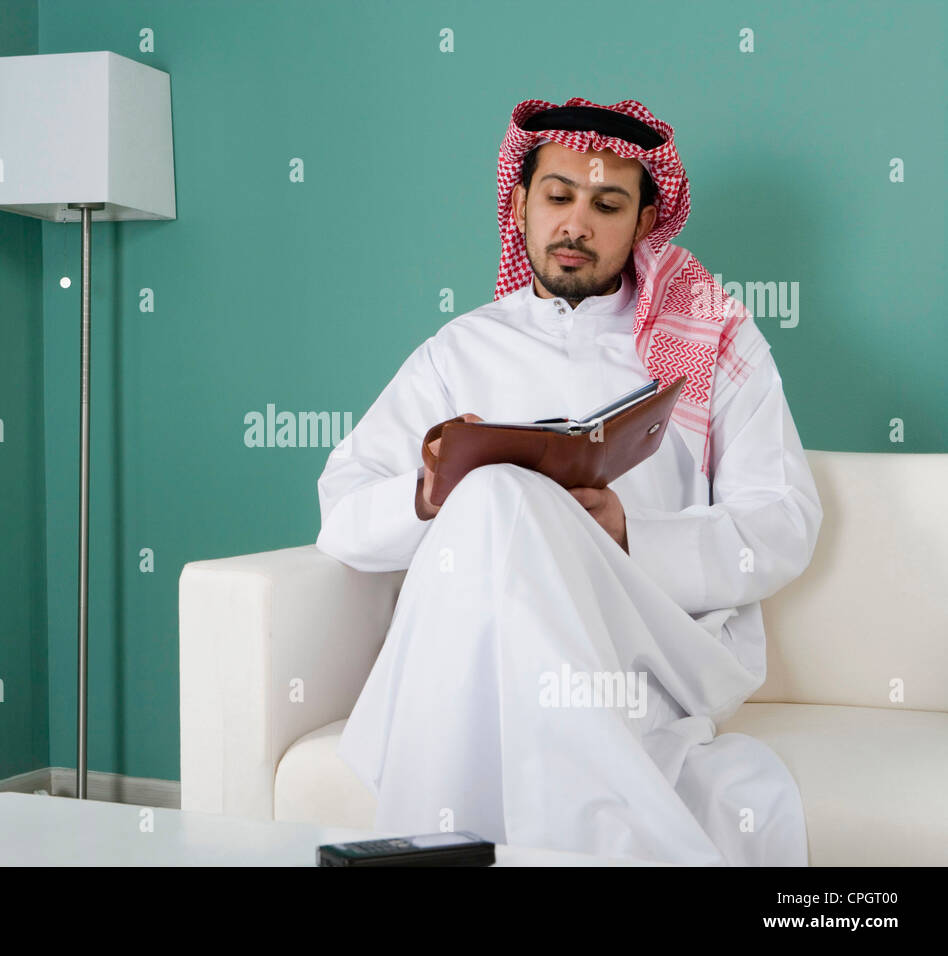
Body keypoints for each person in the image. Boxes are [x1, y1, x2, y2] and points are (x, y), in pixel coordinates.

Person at [314, 97, 823, 866]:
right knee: (489, 497)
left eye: (606, 204)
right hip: (479, 645)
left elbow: (783, 523)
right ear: (520, 205)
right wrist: (429, 495)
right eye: (558, 197)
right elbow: (341, 515)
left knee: (496, 499)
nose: (576, 224)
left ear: (645, 219)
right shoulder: (460, 351)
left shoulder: (710, 335)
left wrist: (626, 533)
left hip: (649, 643)